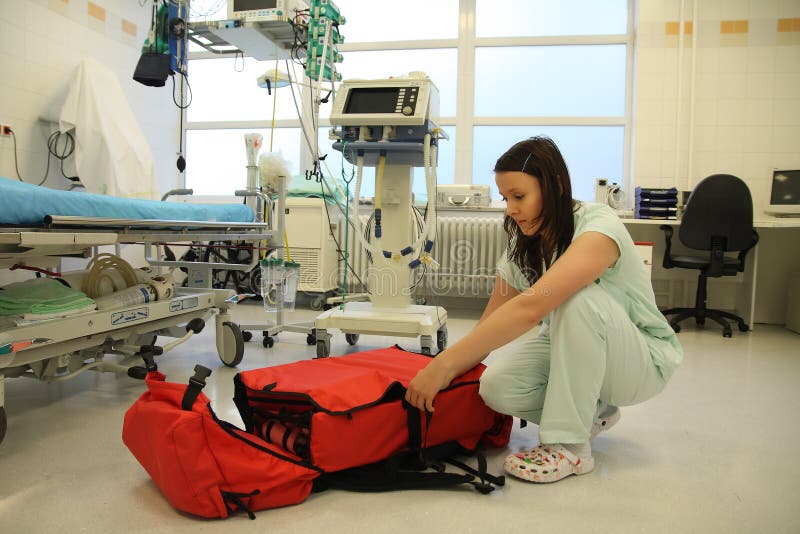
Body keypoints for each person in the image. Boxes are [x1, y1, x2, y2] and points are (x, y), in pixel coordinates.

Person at [405, 136, 683, 483]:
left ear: (555, 187)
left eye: (519, 197)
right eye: (506, 198)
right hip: (578, 352)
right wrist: (442, 371)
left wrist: (443, 367)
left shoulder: (599, 227)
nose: (509, 208)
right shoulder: (524, 246)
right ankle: (592, 412)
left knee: (576, 298)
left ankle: (570, 445)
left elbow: (533, 305)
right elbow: (491, 324)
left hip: (641, 363)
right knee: (496, 386)